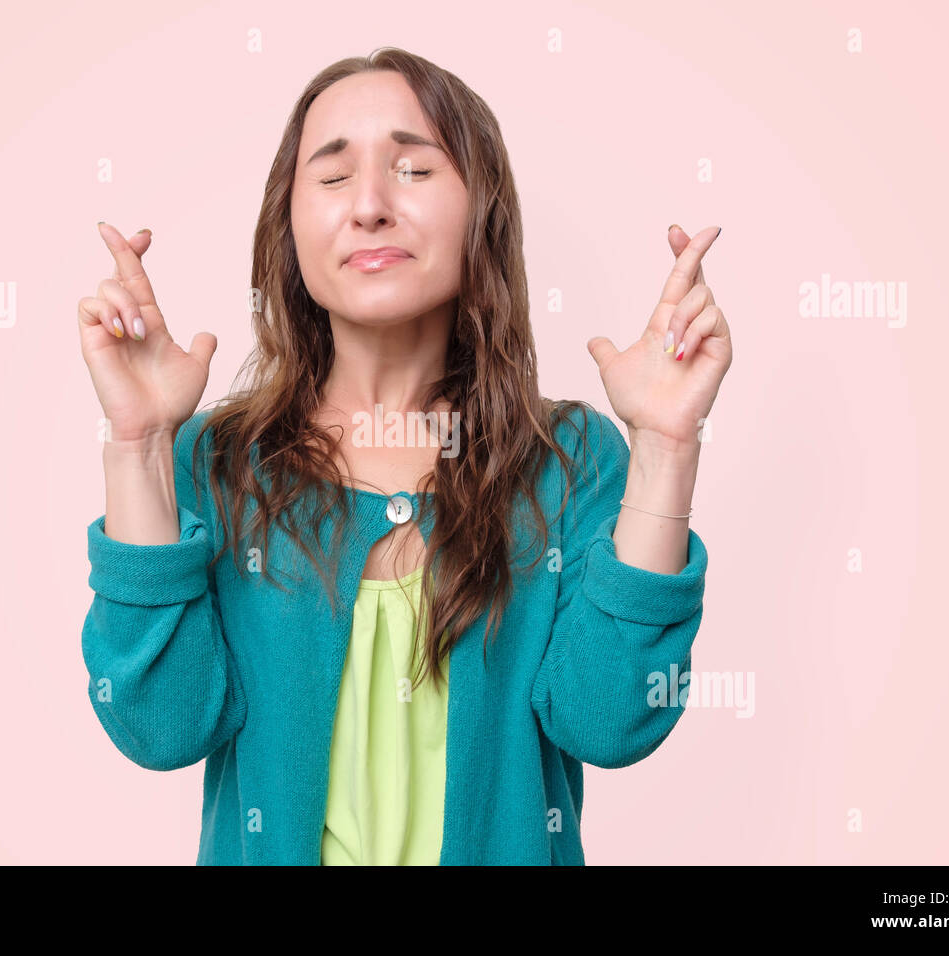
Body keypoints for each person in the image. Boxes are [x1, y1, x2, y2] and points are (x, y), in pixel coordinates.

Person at [76, 47, 731, 865]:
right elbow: (161, 727)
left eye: (414, 170)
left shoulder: (568, 460)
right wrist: (137, 444)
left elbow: (610, 723)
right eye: (331, 177)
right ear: (289, 225)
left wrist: (668, 446)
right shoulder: (215, 460)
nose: (371, 207)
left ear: (481, 210)